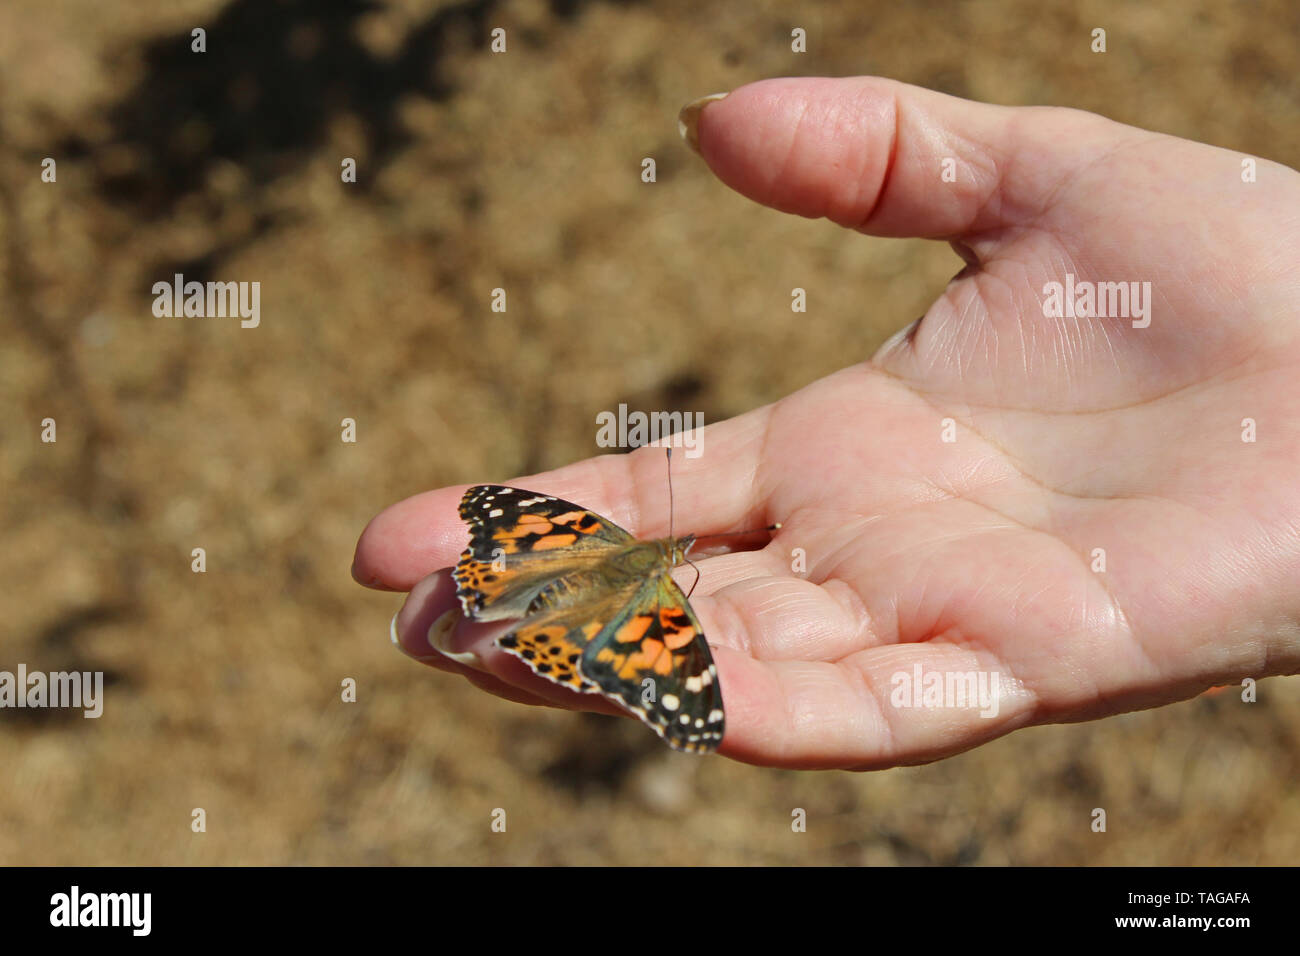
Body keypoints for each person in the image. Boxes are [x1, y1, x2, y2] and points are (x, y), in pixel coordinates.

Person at [353, 77, 1300, 770]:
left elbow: (514, 517)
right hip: (606, 607)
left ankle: (518, 611)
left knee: (544, 600)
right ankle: (527, 622)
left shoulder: (602, 546)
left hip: (575, 576)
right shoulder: (667, 613)